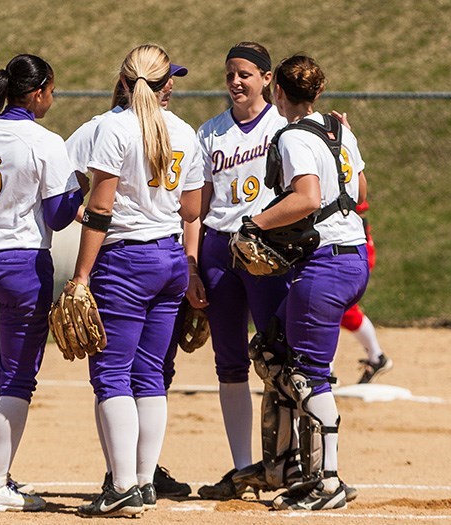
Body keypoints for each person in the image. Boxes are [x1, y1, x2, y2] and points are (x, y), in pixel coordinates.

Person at [69, 44, 204, 518]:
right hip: (169, 258)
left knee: (110, 374)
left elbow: (101, 209)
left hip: (125, 262)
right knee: (149, 374)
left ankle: (123, 485)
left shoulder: (112, 127)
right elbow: (191, 211)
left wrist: (81, 275)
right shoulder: (185, 131)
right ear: (166, 86)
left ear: (123, 83)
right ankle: (143, 483)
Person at [0, 53, 84, 513]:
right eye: (52, 89)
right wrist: (81, 191)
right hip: (21, 265)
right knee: (17, 378)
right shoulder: (44, 140)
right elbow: (59, 216)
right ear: (38, 91)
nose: (54, 96)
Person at [243, 54, 369, 510]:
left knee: (306, 376)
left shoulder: (294, 135)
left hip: (328, 264)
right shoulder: (340, 129)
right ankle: (297, 469)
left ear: (277, 91)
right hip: (348, 258)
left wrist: (253, 225)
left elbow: (307, 198)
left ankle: (329, 481)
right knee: (271, 349)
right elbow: (361, 192)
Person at [184, 42, 291, 502]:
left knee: (275, 359)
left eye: (245, 74)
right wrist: (191, 265)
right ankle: (242, 466)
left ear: (266, 78)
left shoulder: (285, 127)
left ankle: (285, 462)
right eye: (230, 74)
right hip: (218, 250)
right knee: (228, 362)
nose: (236, 82)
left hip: (267, 250)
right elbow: (197, 209)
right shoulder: (209, 132)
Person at [341, 198, 393, 384]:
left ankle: (376, 357)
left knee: (336, 309)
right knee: (335, 310)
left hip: (353, 250)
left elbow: (358, 207)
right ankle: (376, 357)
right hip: (351, 249)